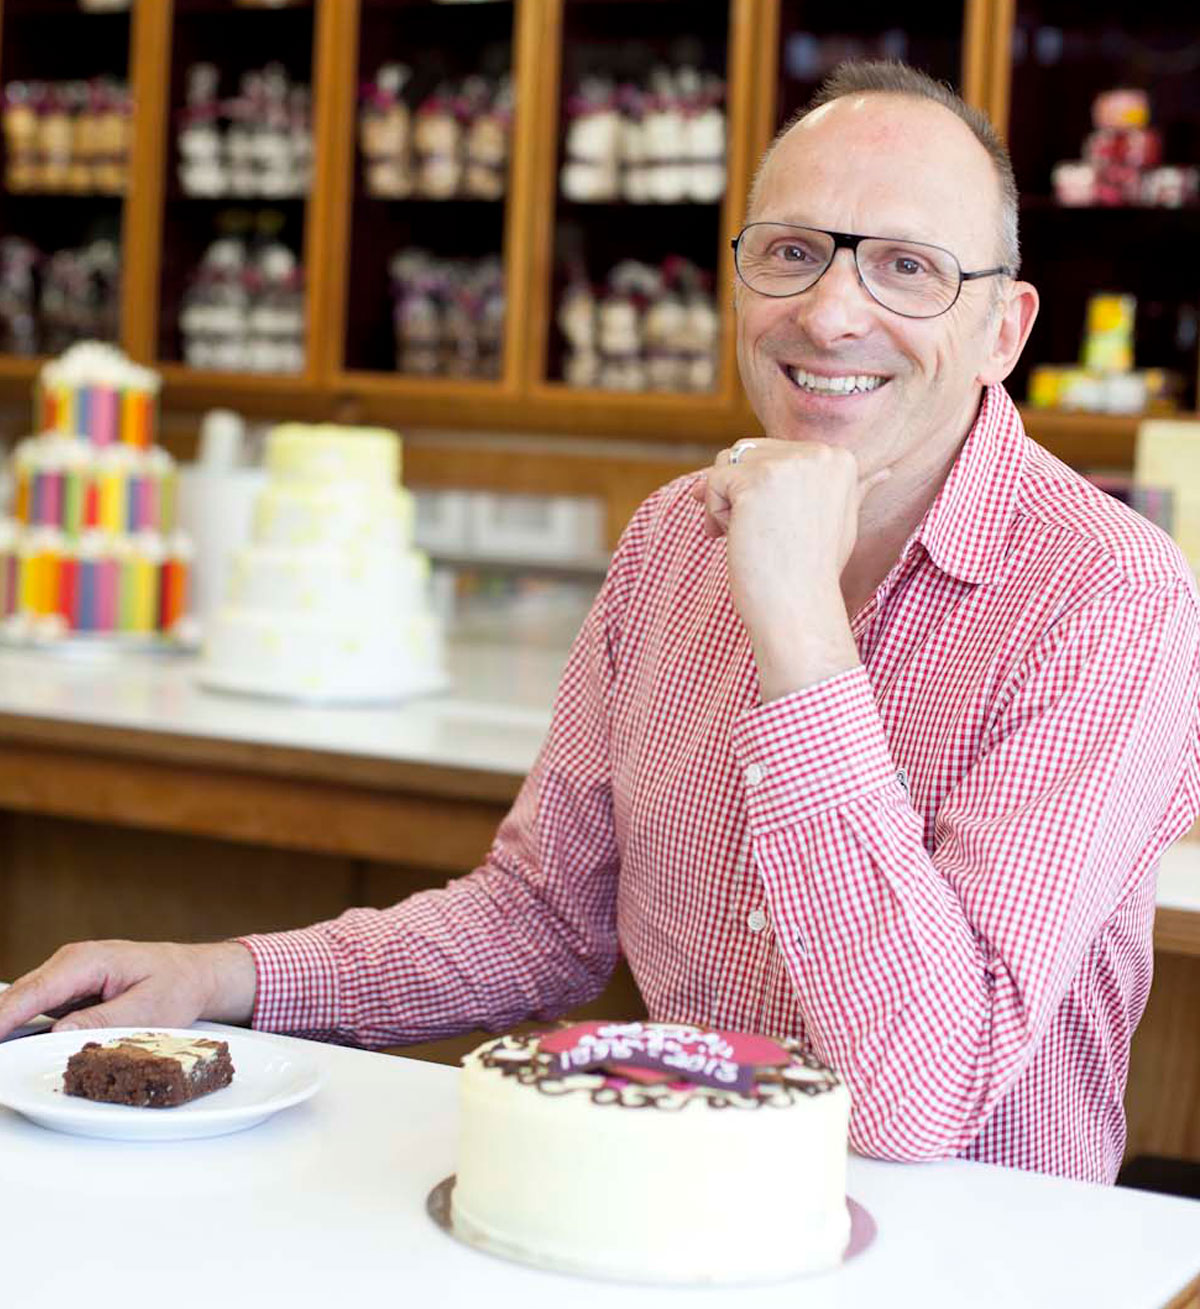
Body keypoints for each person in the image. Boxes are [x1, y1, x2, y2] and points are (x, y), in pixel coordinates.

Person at [1, 61, 1196, 1184]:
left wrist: (798, 634)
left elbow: (921, 1091)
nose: (832, 314)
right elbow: (541, 917)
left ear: (1006, 329)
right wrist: (220, 976)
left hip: (978, 1294)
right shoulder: (676, 539)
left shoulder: (1113, 597)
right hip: (665, 1211)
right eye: (791, 253)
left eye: (907, 268)